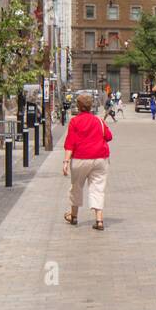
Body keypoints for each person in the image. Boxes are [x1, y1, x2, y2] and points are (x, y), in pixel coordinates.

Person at [62, 92, 112, 231]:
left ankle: (74, 216)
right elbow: (108, 136)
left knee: (76, 186)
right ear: (91, 106)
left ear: (78, 106)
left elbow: (70, 143)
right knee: (98, 188)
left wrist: (66, 162)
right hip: (100, 159)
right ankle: (99, 220)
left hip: (80, 159)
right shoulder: (99, 121)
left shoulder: (75, 121)